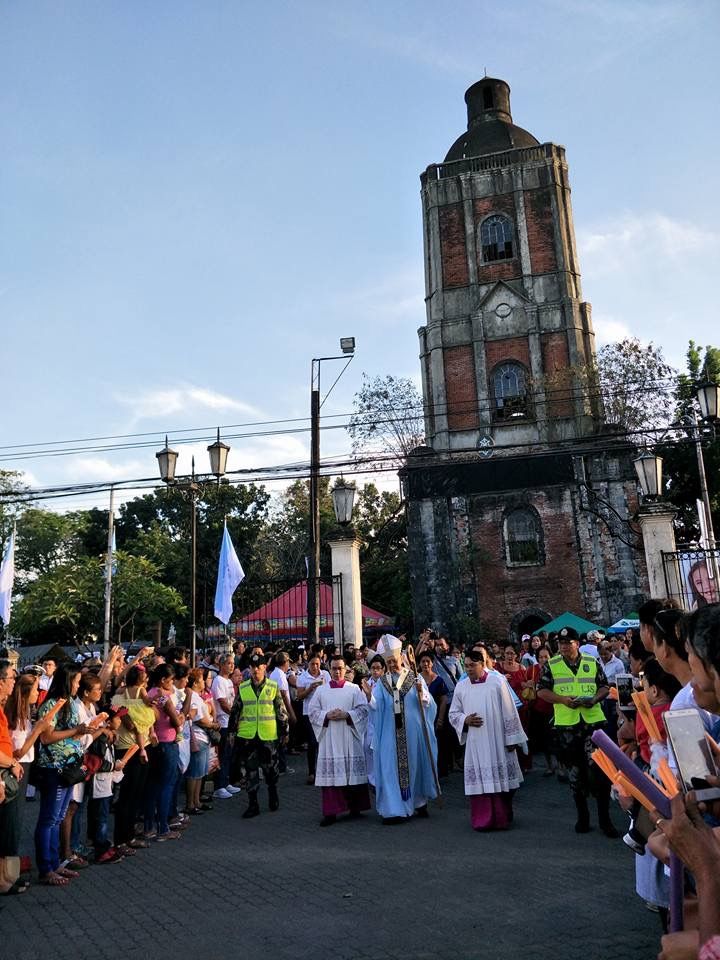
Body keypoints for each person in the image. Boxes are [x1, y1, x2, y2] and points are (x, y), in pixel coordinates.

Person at [536, 627, 618, 837]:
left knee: (600, 772)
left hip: (593, 723)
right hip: (568, 726)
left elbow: (604, 687)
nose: (564, 646)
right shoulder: (552, 665)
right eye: (561, 643)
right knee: (576, 773)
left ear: (577, 644)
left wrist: (593, 700)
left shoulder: (591, 662)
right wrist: (563, 700)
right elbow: (542, 690)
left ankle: (605, 820)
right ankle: (583, 817)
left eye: (568, 643)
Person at [449, 647, 527, 830]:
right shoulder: (461, 686)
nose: (468, 669)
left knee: (502, 780)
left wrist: (512, 739)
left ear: (482, 664)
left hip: (497, 740)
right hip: (476, 742)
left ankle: (502, 817)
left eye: (472, 665)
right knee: (480, 782)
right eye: (466, 666)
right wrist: (464, 720)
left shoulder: (497, 682)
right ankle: (482, 819)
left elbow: (510, 712)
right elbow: (453, 713)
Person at [370, 635, 439, 823]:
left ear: (401, 657)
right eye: (388, 662)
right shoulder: (382, 682)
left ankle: (418, 802)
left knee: (415, 766)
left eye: (393, 660)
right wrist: (370, 698)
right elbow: (376, 705)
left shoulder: (414, 677)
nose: (391, 664)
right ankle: (394, 809)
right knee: (390, 767)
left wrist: (422, 694)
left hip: (413, 732)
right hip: (390, 733)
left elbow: (429, 704)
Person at [35, 663, 93, 886]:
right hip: (54, 768)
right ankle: (46, 867)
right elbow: (46, 737)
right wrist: (76, 731)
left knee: (58, 818)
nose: (79, 685)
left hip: (69, 768)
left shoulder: (70, 703)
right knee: (49, 819)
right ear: (67, 681)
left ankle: (55, 863)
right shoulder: (52, 704)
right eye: (77, 681)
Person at [309, 655, 370, 826]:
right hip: (329, 737)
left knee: (351, 772)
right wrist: (326, 715)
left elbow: (364, 710)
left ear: (346, 670)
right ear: (329, 669)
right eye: (334, 668)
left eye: (340, 668)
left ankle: (355, 807)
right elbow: (313, 712)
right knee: (332, 776)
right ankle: (331, 812)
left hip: (349, 735)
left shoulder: (354, 689)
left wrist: (347, 715)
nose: (337, 672)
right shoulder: (321, 690)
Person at [229, 653, 288, 819]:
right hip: (248, 737)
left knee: (271, 770)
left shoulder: (272, 687)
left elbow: (281, 711)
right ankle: (253, 804)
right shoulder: (243, 687)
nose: (256, 670)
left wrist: (284, 732)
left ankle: (272, 792)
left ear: (264, 668)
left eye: (259, 667)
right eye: (253, 667)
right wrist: (232, 731)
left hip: (268, 736)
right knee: (250, 771)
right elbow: (235, 711)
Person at [295, 654, 330, 784]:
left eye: (317, 664)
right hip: (309, 713)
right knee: (312, 742)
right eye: (312, 664)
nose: (315, 667)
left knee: (324, 741)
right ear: (307, 665)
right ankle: (311, 772)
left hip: (324, 711)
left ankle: (324, 770)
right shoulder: (302, 677)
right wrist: (311, 688)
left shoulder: (325, 674)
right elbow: (299, 696)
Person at [212, 654, 241, 800]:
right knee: (223, 755)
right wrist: (234, 715)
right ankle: (219, 786)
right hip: (223, 723)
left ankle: (226, 781)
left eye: (232, 663)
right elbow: (223, 703)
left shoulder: (229, 681)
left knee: (229, 755)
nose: (231, 666)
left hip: (231, 722)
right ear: (221, 665)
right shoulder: (218, 681)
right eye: (228, 663)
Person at [417, 651, 451, 777]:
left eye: (428, 661)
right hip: (420, 717)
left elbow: (443, 700)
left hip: (435, 716)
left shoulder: (439, 680)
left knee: (437, 743)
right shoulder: (416, 679)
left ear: (432, 663)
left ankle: (437, 772)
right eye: (423, 661)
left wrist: (441, 719)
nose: (425, 664)